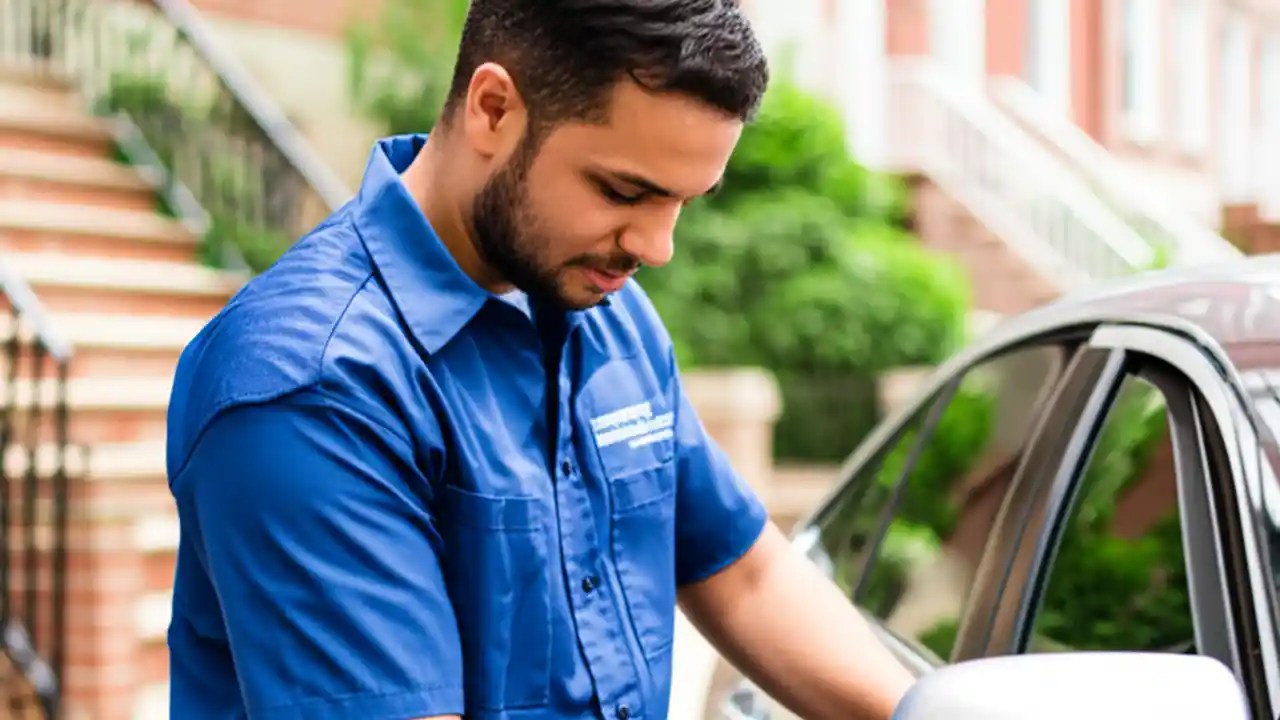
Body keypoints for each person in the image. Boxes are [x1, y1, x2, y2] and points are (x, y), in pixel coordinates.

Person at [164, 1, 916, 718]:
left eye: (686, 202)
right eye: (623, 191)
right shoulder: (310, 388)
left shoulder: (609, 315)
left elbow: (746, 577)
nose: (658, 247)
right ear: (493, 109)